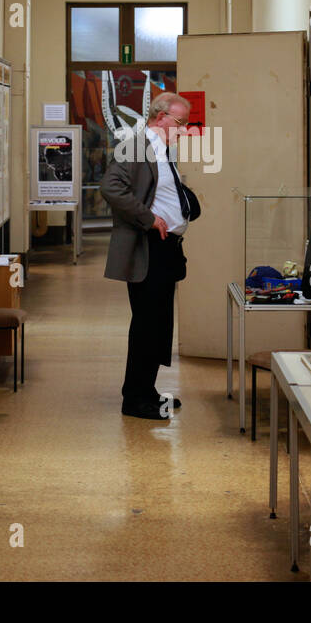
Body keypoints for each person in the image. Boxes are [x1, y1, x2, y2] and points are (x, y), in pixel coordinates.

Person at [100, 92, 201, 419]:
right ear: (160, 117)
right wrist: (148, 218)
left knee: (159, 323)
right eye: (179, 122)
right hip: (148, 248)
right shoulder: (136, 145)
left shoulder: (162, 150)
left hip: (166, 248)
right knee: (146, 324)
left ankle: (148, 389)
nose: (183, 129)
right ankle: (134, 399)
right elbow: (112, 188)